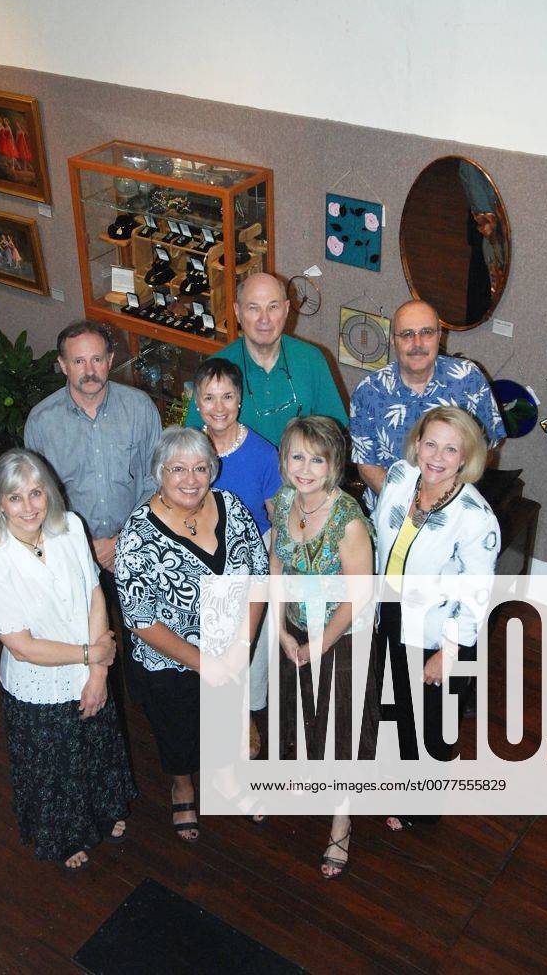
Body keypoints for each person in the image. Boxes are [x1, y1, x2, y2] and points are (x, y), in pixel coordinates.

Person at [0, 449, 137, 870]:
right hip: (38, 688)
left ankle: (105, 811)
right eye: (15, 498)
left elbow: (94, 593)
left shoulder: (70, 528)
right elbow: (21, 645)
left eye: (35, 493)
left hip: (89, 669)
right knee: (56, 767)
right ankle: (66, 837)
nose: (29, 507)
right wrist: (89, 654)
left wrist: (98, 671)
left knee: (96, 749)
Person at [115, 427, 268, 842]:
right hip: (170, 660)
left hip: (229, 649)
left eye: (201, 468)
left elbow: (258, 576)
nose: (191, 479)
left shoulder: (232, 507)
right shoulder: (137, 535)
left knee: (224, 723)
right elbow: (140, 619)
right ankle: (182, 787)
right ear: (159, 473)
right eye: (178, 469)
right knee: (177, 728)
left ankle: (228, 782)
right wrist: (206, 664)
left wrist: (241, 646)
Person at [371, 406, 500, 832]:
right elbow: (378, 537)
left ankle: (421, 807)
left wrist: (449, 651)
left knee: (431, 722)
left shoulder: (476, 518)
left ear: (466, 457)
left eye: (450, 449)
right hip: (388, 614)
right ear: (417, 443)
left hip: (436, 632)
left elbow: (476, 595)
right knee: (395, 704)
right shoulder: (398, 477)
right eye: (431, 444)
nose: (437, 457)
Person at [270, 416, 374, 878]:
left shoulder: (349, 520)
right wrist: (279, 629)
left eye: (317, 459)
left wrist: (318, 643)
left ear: (334, 464)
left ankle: (341, 819)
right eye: (297, 456)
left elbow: (358, 594)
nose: (305, 468)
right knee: (299, 717)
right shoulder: (285, 502)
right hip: (296, 632)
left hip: (341, 639)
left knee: (342, 731)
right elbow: (276, 562)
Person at [24, 319, 161, 580]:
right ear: (63, 365)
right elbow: (38, 500)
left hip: (135, 542)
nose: (89, 370)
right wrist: (82, 545)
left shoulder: (140, 408)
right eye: (78, 362)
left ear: (110, 360)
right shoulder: (41, 422)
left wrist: (123, 540)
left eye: (97, 359)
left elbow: (155, 481)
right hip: (70, 551)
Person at [192, 356, 282, 745]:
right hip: (200, 553)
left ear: (240, 400)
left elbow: (279, 523)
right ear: (197, 403)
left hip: (252, 559)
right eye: (209, 398)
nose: (218, 408)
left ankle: (248, 718)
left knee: (249, 649)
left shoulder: (264, 453)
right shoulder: (188, 446)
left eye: (227, 397)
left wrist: (272, 576)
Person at [349, 299, 505, 511]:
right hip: (391, 513)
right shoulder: (368, 392)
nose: (417, 343)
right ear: (393, 340)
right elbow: (366, 464)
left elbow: (488, 448)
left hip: (453, 512)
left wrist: (445, 501)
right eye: (407, 334)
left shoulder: (468, 380)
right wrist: (407, 507)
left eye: (427, 332)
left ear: (440, 336)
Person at [185, 272, 348, 447]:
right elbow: (193, 444)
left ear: (286, 309)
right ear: (238, 312)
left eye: (273, 307)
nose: (264, 319)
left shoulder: (311, 360)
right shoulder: (215, 370)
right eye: (253, 308)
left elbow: (334, 437)